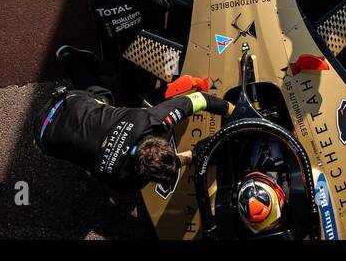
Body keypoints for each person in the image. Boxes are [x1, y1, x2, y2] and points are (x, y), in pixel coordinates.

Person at [34, 51, 233, 191]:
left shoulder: (147, 120)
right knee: (102, 99)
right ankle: (72, 59)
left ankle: (69, 56)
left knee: (102, 97)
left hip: (63, 108)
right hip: (43, 138)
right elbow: (201, 99)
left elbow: (200, 99)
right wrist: (190, 156)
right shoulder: (121, 179)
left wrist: (234, 111)